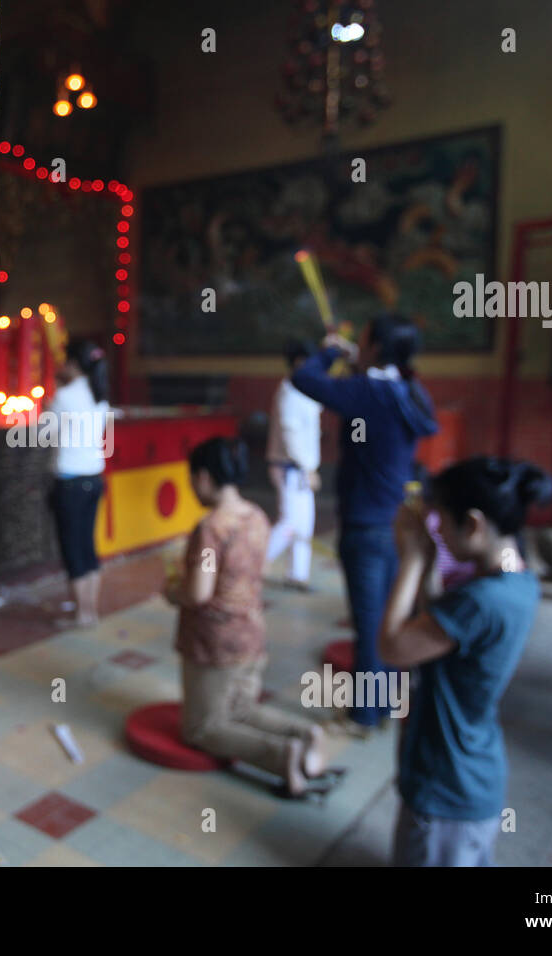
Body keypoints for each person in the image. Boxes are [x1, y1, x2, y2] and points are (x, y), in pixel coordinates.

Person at [379, 456, 552, 866]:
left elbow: (392, 646)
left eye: (440, 520)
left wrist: (412, 559)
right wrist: (425, 560)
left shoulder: (482, 601)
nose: (436, 530)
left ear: (473, 524)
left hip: (447, 786)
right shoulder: (516, 581)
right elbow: (442, 616)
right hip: (472, 773)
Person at [291, 313, 439, 729]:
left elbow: (304, 378)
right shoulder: (407, 391)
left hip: (366, 526)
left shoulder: (369, 393)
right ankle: (386, 705)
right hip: (398, 524)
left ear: (374, 347)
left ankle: (364, 716)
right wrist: (360, 365)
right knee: (390, 620)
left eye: (366, 338)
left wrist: (330, 351)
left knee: (370, 624)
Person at [165, 437, 332, 797]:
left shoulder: (212, 528)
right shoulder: (256, 516)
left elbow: (199, 592)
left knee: (200, 728)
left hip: (214, 644)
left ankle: (279, 755)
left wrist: (171, 591)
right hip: (252, 635)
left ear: (205, 477)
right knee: (240, 709)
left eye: (192, 479)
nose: (193, 487)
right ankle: (304, 735)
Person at [49, 339, 111, 626]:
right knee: (87, 545)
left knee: (73, 549)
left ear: (73, 363)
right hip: (94, 479)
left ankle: (81, 614)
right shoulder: (98, 394)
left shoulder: (64, 396)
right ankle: (91, 611)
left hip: (71, 483)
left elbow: (43, 435)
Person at [265, 340, 322, 590]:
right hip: (290, 467)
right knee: (289, 522)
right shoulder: (291, 389)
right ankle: (252, 564)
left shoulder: (305, 388)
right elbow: (290, 434)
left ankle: (297, 574)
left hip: (299, 468)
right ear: (299, 362)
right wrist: (307, 468)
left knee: (304, 523)